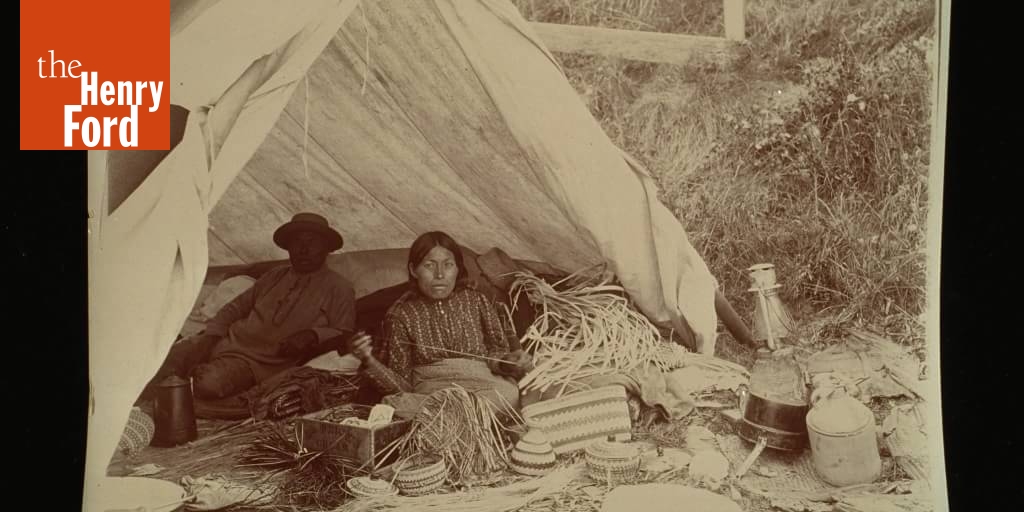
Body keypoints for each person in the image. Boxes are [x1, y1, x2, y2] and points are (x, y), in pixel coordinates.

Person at [147, 212, 357, 400]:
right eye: (296, 242)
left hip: (257, 363)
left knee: (207, 384)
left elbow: (345, 332)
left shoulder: (339, 287)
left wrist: (313, 335)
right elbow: (234, 309)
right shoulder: (274, 276)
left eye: (312, 242)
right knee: (153, 364)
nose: (303, 249)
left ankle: (181, 387)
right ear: (289, 247)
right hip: (225, 342)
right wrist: (210, 337)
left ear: (326, 248)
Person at [347, 231, 532, 418]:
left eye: (448, 265)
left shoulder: (476, 300)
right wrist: (368, 360)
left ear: (458, 269)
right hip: (433, 391)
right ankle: (464, 418)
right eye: (429, 265)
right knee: (401, 403)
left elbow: (496, 354)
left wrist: (509, 362)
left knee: (509, 394)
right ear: (413, 270)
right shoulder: (401, 315)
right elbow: (401, 386)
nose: (440, 274)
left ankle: (450, 418)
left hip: (482, 384)